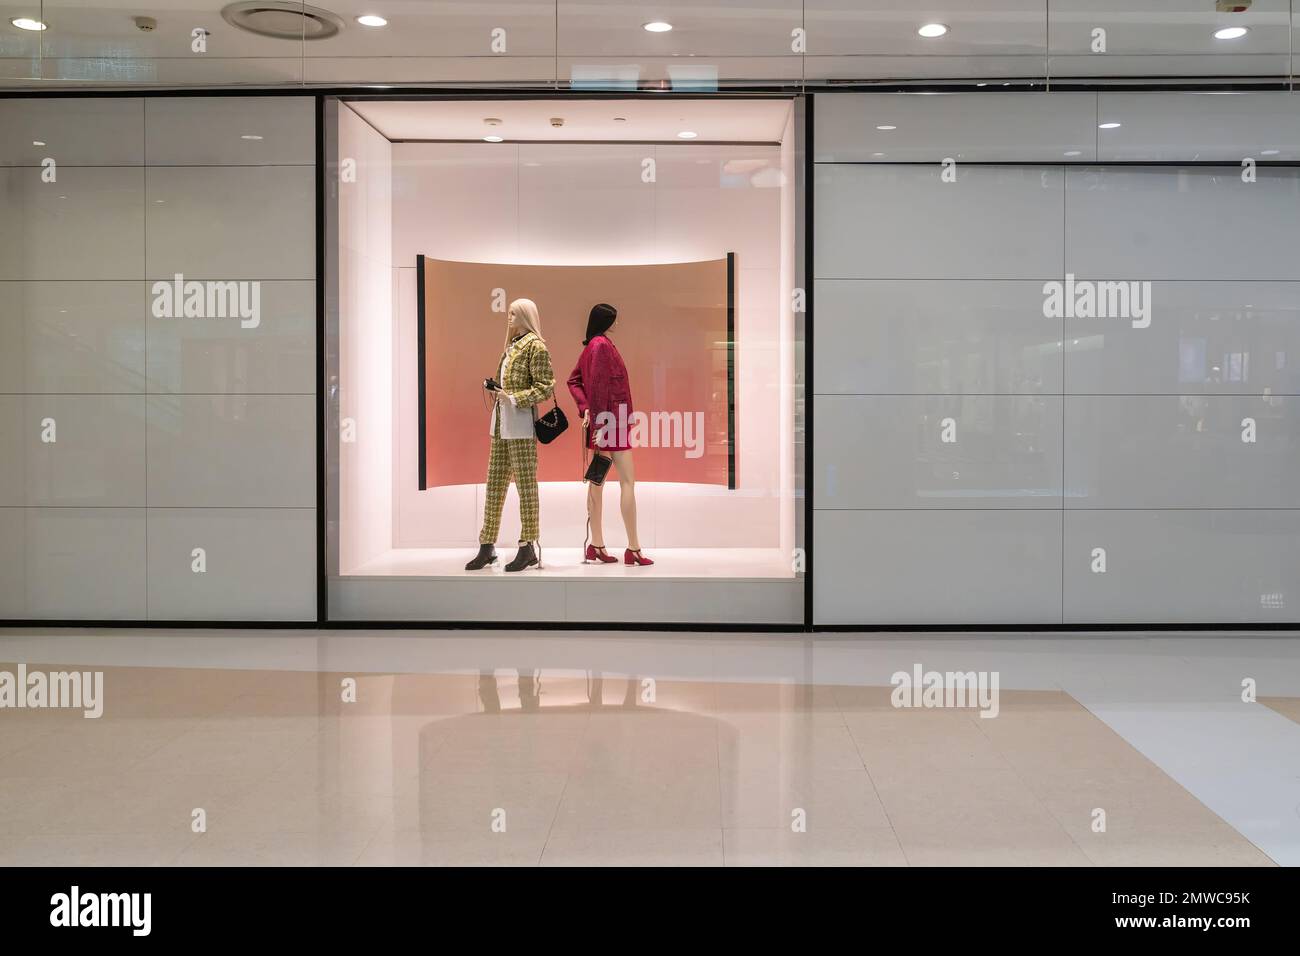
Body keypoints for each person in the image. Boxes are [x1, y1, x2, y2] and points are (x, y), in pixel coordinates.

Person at [465, 298, 555, 572]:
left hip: (521, 428)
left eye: (514, 313)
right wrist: (497, 390)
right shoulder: (512, 346)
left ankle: (528, 546)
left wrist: (513, 397)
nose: (509, 316)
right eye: (509, 312)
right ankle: (487, 545)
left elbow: (545, 387)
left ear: (526, 315)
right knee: (494, 485)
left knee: (526, 487)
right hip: (501, 425)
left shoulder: (536, 347)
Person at [567, 303, 653, 567]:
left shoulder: (592, 346)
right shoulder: (601, 346)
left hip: (606, 422)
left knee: (597, 481)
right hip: (611, 423)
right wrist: (599, 422)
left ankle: (597, 544)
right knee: (627, 482)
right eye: (614, 319)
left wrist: (587, 410)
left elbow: (574, 381)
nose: (617, 323)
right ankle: (633, 548)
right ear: (605, 321)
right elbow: (599, 386)